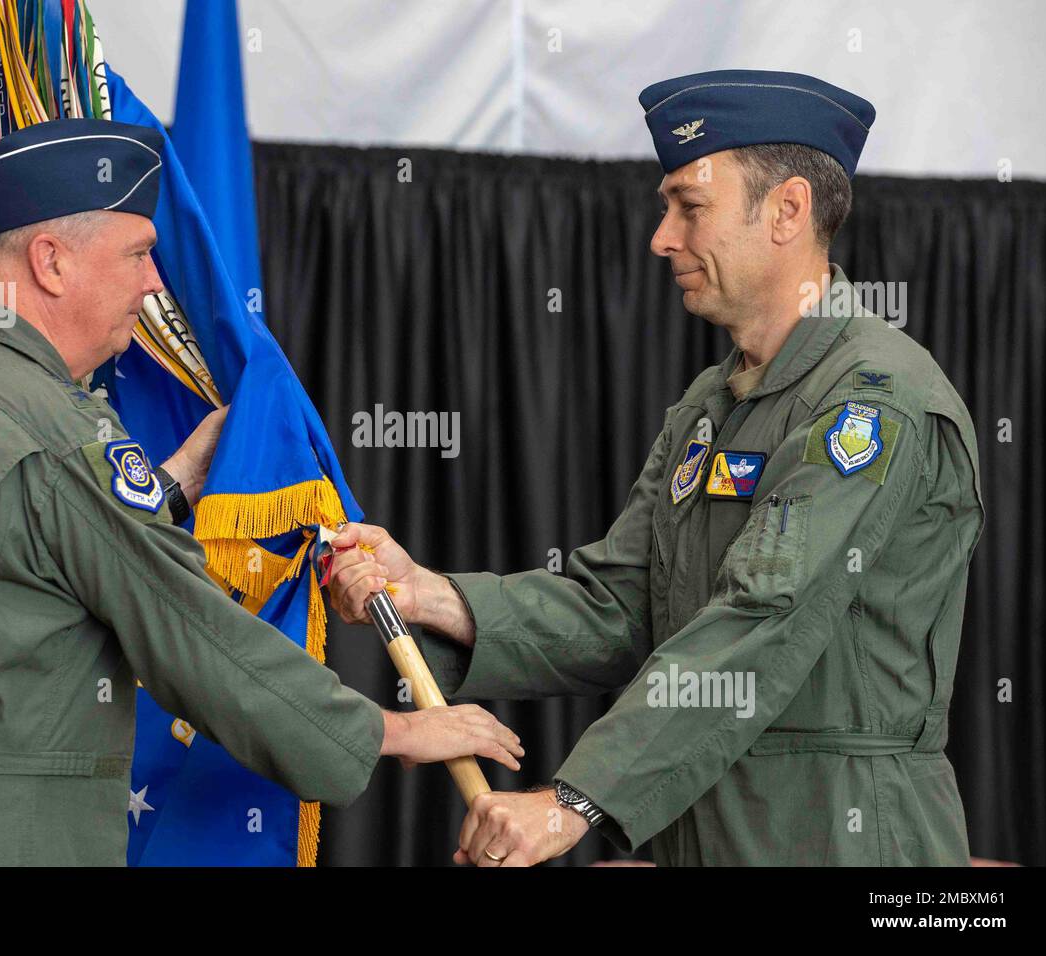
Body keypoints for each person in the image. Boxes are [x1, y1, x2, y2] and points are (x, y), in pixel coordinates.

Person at [0, 118, 521, 866]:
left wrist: (165, 484)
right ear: (51, 262)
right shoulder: (60, 431)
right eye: (138, 252)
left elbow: (2, 568)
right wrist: (390, 732)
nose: (154, 281)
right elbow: (193, 636)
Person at [328, 70, 984, 867]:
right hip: (700, 828)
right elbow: (620, 608)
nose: (661, 237)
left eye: (690, 206)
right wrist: (430, 596)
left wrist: (573, 803)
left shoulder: (875, 402)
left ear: (788, 212)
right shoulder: (712, 403)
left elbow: (760, 621)